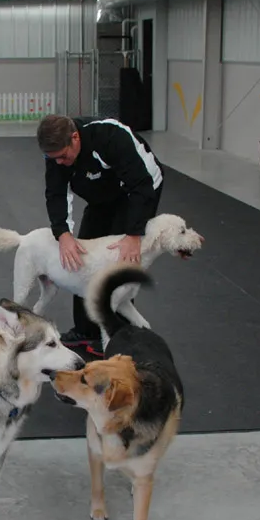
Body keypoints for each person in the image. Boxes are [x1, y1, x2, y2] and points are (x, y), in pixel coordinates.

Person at [37, 114, 164, 355]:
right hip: (102, 196)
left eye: (63, 156)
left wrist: (134, 234)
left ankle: (121, 335)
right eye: (54, 159)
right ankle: (86, 331)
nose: (60, 163)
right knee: (81, 257)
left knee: (119, 263)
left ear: (75, 138)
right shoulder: (56, 155)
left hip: (138, 190)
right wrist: (63, 234)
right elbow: (55, 193)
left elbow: (141, 186)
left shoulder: (110, 137)